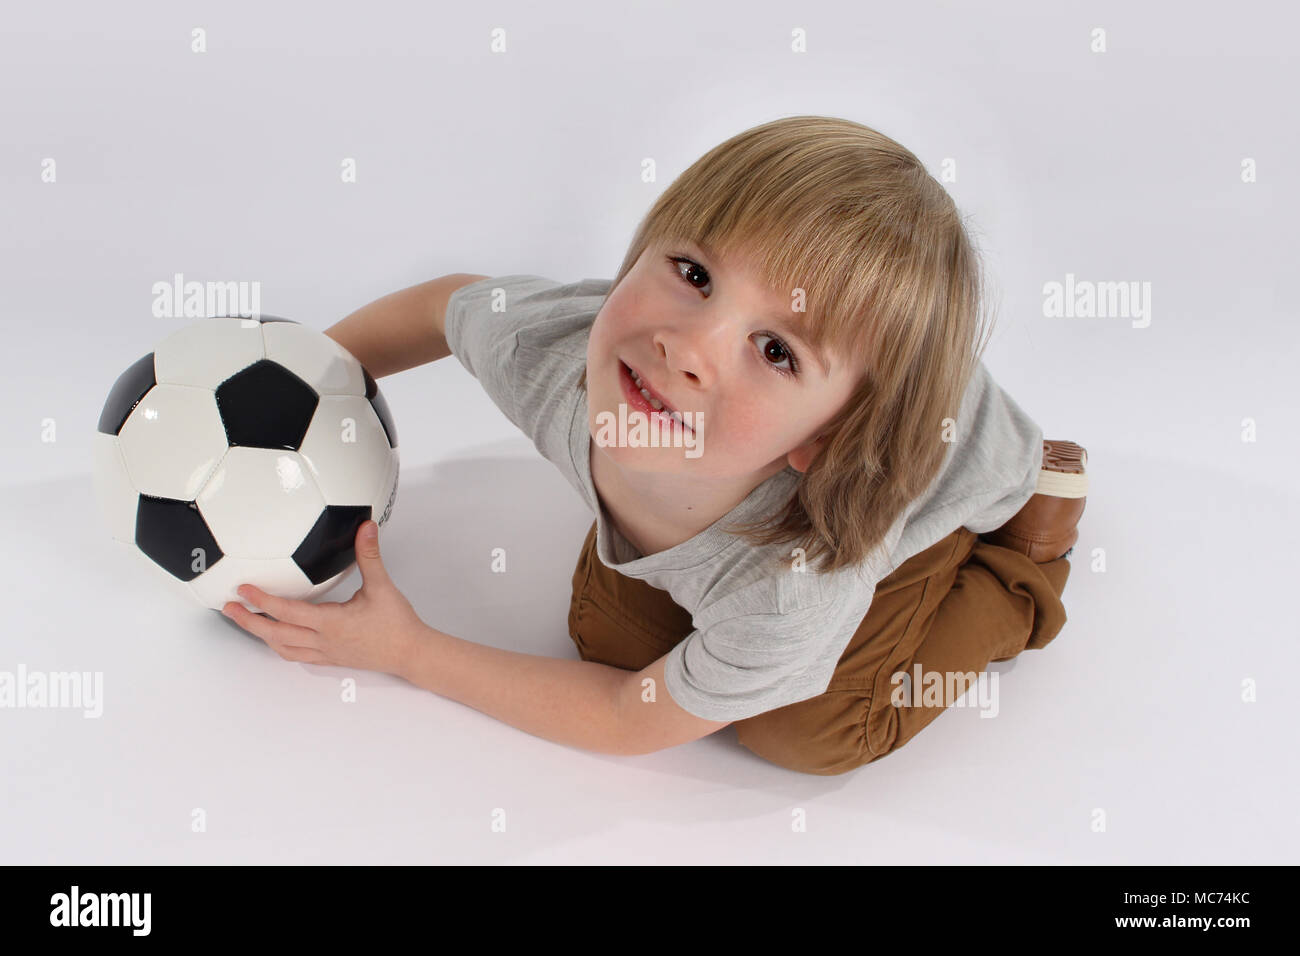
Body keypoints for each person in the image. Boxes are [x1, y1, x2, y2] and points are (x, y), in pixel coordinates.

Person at [224, 115, 1088, 775]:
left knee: (806, 734)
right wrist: (296, 391)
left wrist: (408, 651)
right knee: (606, 639)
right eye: (695, 274)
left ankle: (1023, 571)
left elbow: (629, 720)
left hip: (936, 484)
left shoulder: (794, 591)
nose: (688, 346)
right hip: (760, 492)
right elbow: (441, 308)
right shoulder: (555, 355)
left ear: (821, 438)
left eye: (777, 350)